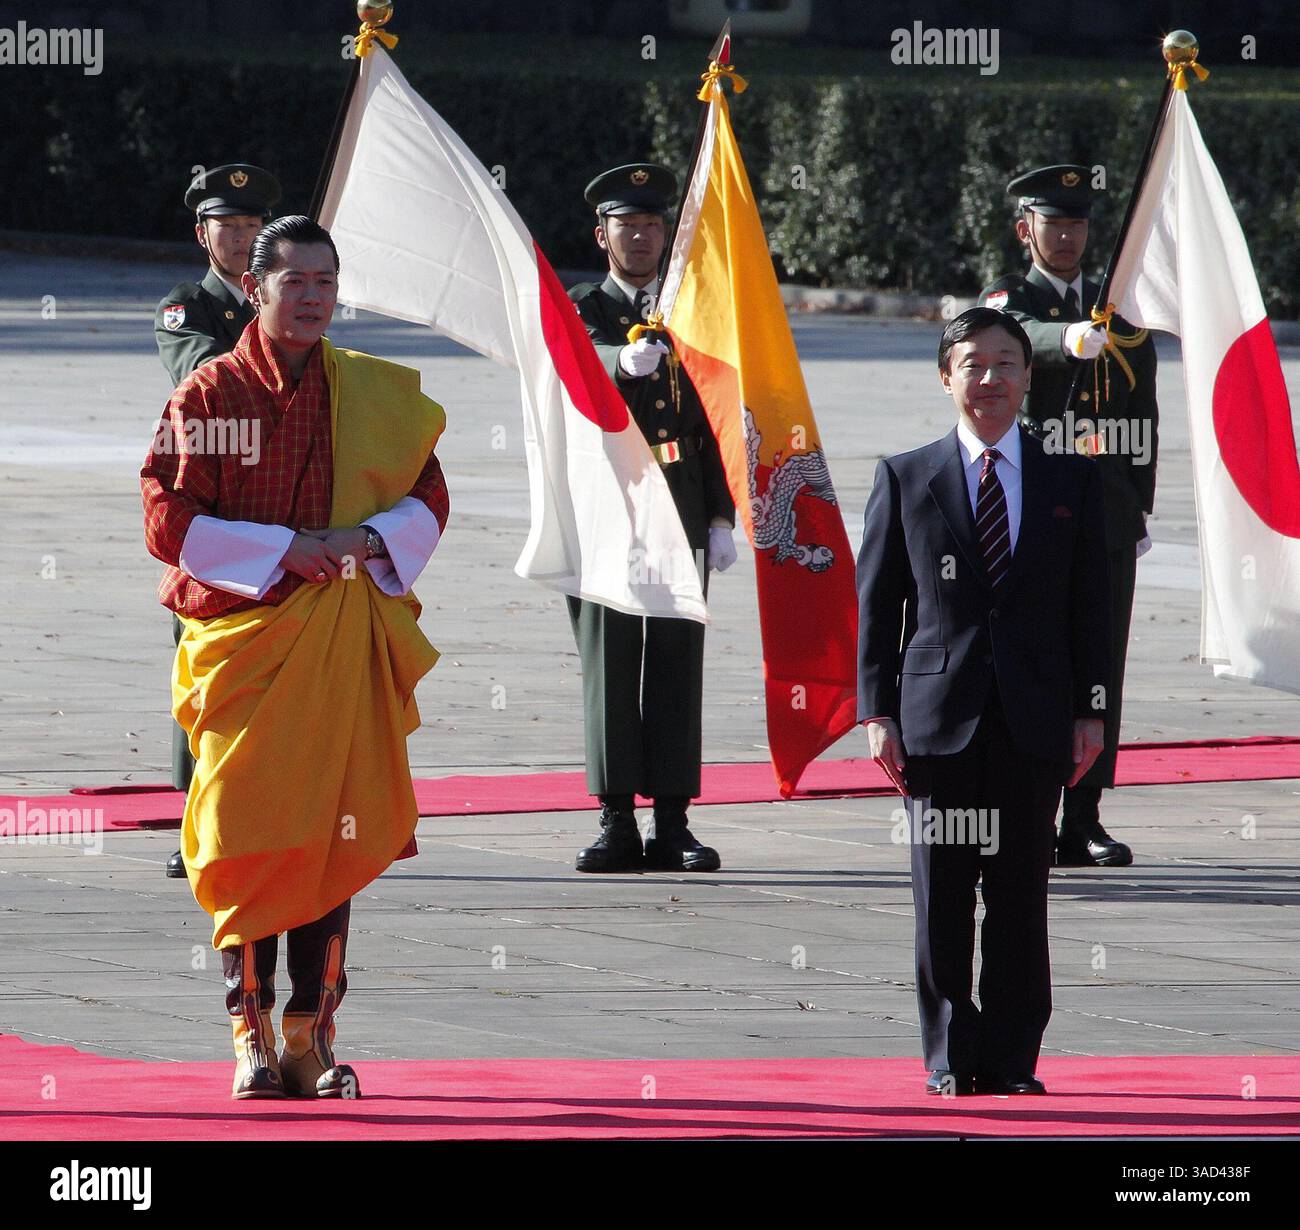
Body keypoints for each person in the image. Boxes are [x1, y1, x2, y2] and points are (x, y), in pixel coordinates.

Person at [141, 215, 450, 1099]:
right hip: (245, 646)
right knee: (243, 839)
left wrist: (362, 538)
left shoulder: (369, 394)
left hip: (338, 633)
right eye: (295, 283)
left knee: (326, 834)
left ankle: (312, 1036)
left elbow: (428, 495)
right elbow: (168, 517)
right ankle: (250, 1032)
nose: (313, 298)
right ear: (254, 288)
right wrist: (283, 549)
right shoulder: (213, 395)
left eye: (326, 282)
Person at [856, 307, 1111, 1095]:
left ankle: (1010, 1058)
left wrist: (1093, 710)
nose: (991, 380)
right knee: (941, 895)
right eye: (974, 364)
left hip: (1034, 721)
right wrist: (877, 711)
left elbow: (1092, 607)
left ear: (1029, 377)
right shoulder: (906, 477)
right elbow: (875, 605)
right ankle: (949, 1057)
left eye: (1006, 363)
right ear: (946, 377)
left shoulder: (1070, 476)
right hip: (937, 723)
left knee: (1018, 896)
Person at [979, 164, 1158, 868]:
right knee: (1035, 658)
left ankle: (1084, 815)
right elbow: (1012, 335)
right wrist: (1063, 341)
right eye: (1053, 224)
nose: (1067, 237)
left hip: (1104, 505)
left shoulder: (1118, 307)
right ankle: (1032, 806)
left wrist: (1138, 504)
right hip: (1034, 501)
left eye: (1078, 225)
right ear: (1026, 230)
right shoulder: (1010, 295)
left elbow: (1141, 409)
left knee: (1098, 662)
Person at [566, 163, 737, 873]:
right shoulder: (583, 308)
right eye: (625, 224)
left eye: (652, 224)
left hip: (680, 502)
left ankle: (673, 819)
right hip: (608, 505)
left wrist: (722, 514)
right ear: (600, 233)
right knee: (611, 661)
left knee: (675, 661)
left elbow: (722, 416)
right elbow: (562, 368)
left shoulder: (691, 310)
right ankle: (616, 820)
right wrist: (617, 363)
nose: (641, 237)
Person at [154, 163, 281, 879]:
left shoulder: (288, 302)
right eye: (227, 227)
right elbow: (201, 373)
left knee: (273, 667)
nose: (239, 239)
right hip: (213, 510)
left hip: (282, 503)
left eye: (251, 227)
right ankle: (197, 818)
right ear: (203, 235)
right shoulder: (187, 306)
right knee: (206, 667)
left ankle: (262, 814)